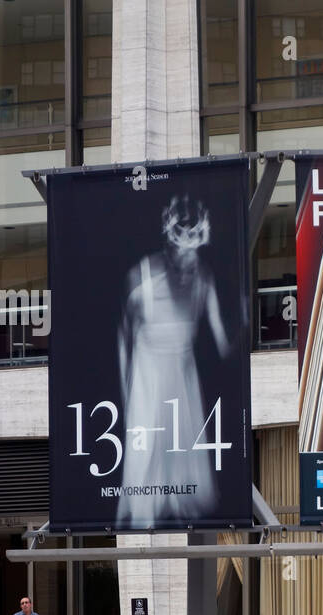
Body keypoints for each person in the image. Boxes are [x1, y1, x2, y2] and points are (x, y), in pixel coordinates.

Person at [115, 195, 231, 528]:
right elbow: (123, 338)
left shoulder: (203, 278)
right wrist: (127, 395)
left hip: (182, 374)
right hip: (148, 374)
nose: (188, 258)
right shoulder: (142, 279)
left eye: (195, 247)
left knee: (184, 457)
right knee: (147, 449)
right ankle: (145, 511)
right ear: (170, 241)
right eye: (182, 247)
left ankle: (181, 507)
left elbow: (223, 343)